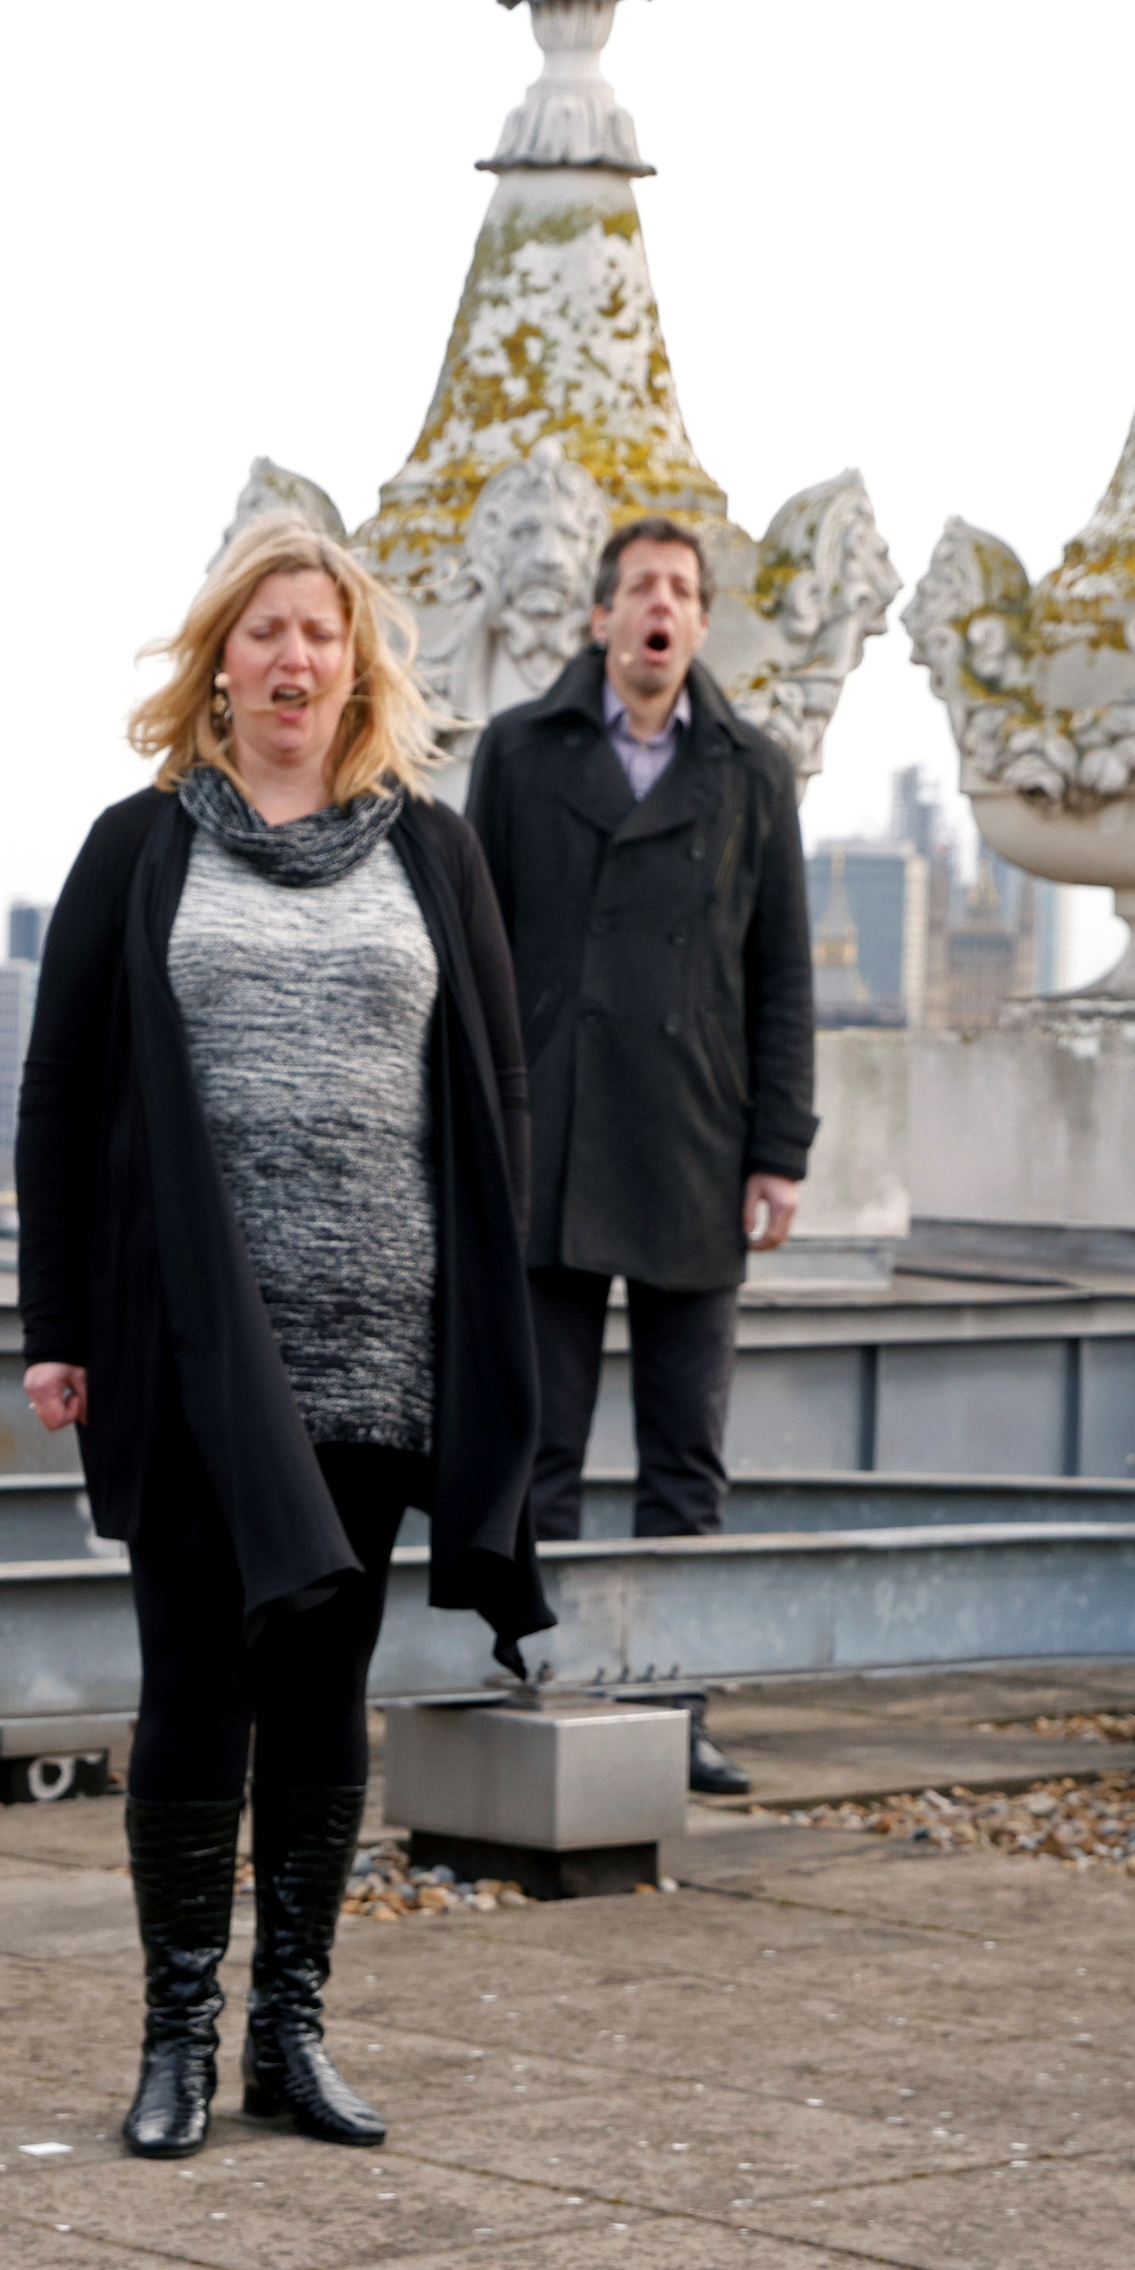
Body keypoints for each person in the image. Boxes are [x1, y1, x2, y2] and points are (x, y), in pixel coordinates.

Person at [15, 518, 553, 2162]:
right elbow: (60, 1094)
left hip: (381, 1346)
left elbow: (496, 1096)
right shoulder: (139, 848)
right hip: (183, 1346)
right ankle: (174, 2037)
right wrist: (56, 1324)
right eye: (262, 633)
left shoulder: (433, 854)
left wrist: (490, 1335)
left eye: (318, 632)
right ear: (220, 664)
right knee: (194, 1678)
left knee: (326, 1684)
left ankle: (290, 2037)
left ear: (357, 665)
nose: (291, 660)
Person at [460, 515, 819, 1796]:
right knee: (536, 1443)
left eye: (679, 589)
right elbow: (471, 951)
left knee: (684, 1459)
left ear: (699, 623)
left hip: (694, 1143)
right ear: (601, 618)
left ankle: (677, 1703)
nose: (657, 605)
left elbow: (780, 975)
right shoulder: (515, 752)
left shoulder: (749, 770)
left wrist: (776, 1150)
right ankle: (531, 1682)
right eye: (637, 588)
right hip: (544, 1143)